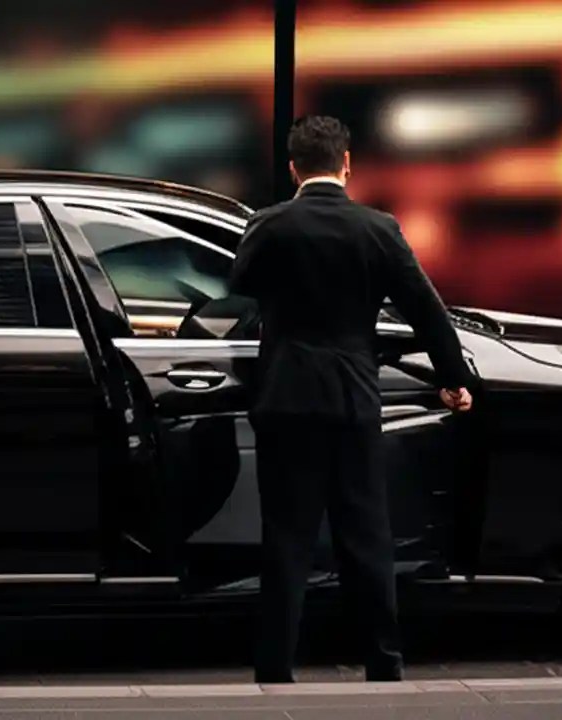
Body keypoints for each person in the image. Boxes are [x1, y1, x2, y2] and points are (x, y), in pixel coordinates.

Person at [230, 115, 475, 684]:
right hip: (352, 399)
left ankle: (274, 665)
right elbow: (425, 309)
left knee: (286, 536)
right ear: (347, 164)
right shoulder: (378, 229)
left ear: (293, 168)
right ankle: (383, 662)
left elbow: (237, 295)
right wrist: (453, 377)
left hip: (285, 397)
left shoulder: (269, 227)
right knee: (365, 533)